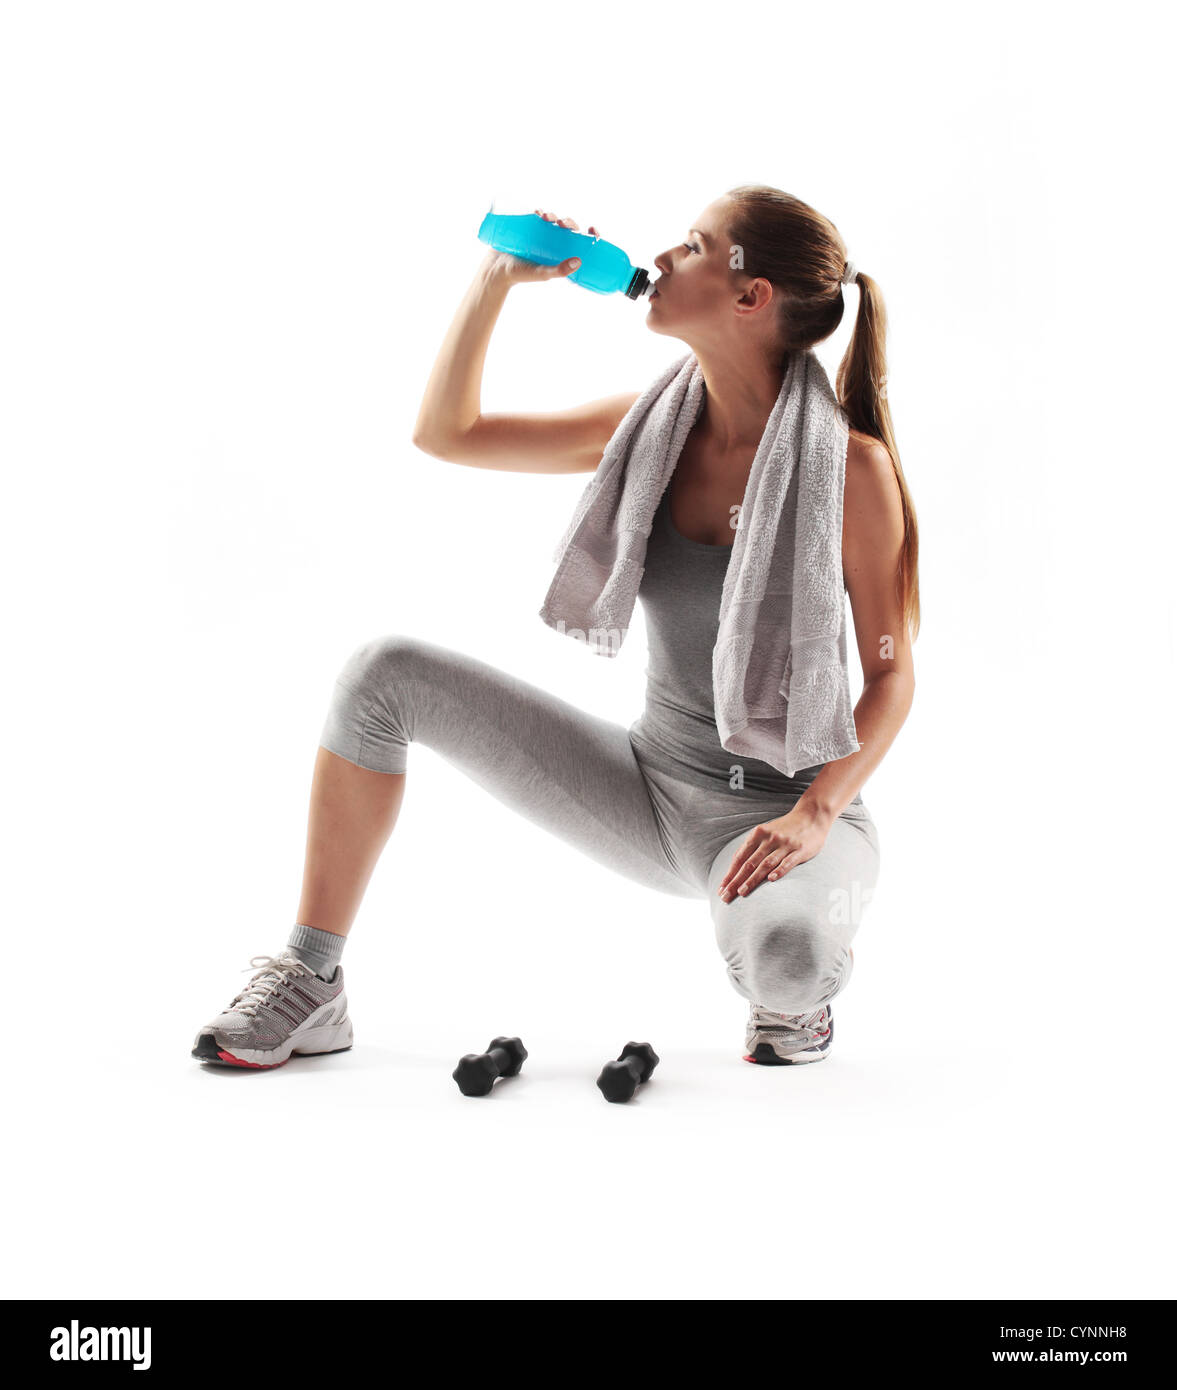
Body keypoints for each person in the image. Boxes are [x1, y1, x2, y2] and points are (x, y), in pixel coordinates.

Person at [192, 185, 918, 1071]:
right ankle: (312, 981)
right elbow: (448, 433)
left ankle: (792, 986)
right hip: (649, 789)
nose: (664, 255)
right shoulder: (645, 430)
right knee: (383, 674)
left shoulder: (851, 468)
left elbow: (891, 675)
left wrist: (815, 813)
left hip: (787, 813)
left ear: (748, 295)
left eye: (693, 245)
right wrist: (498, 279)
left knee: (792, 963)